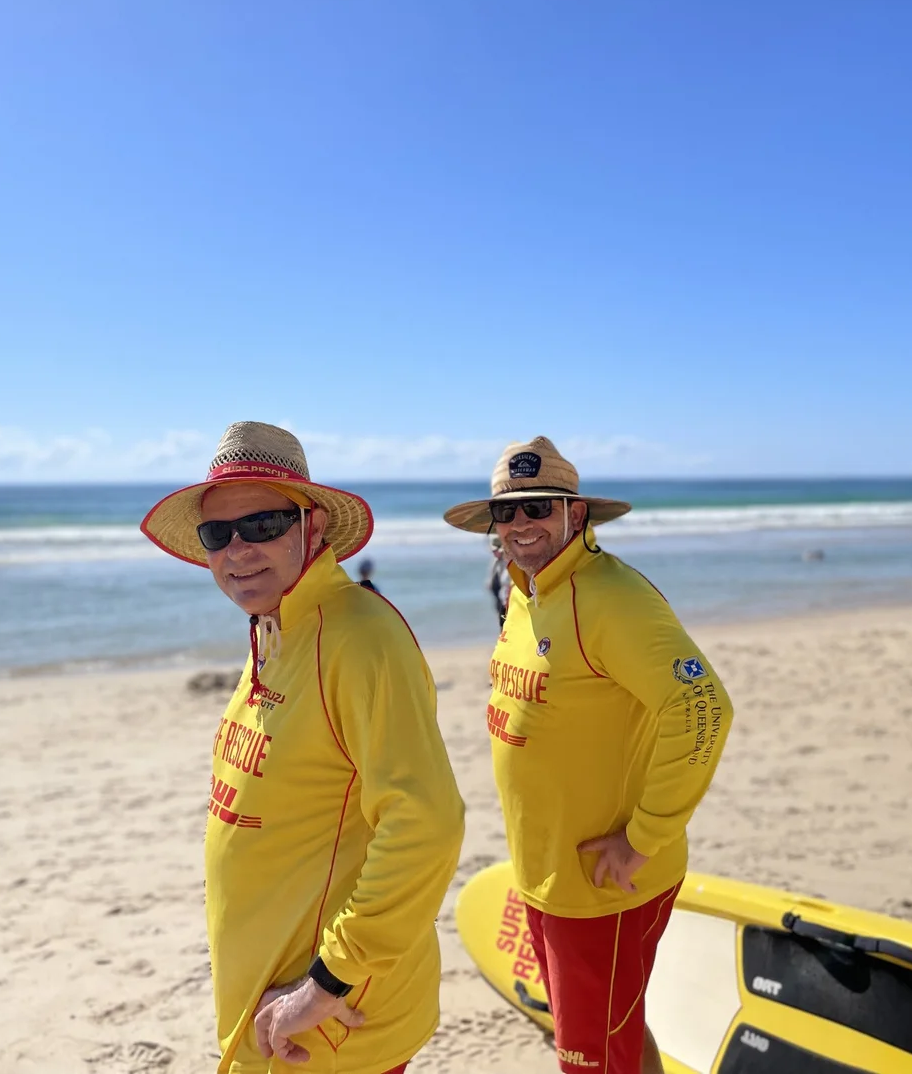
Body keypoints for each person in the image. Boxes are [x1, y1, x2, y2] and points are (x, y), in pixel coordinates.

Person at [142, 421, 465, 1074]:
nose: (238, 550)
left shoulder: (359, 636)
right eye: (217, 534)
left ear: (312, 527)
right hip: (269, 1006)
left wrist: (326, 982)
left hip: (325, 1025)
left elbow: (426, 824)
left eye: (263, 525)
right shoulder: (274, 626)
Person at [443, 437, 734, 1074]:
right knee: (614, 1034)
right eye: (506, 512)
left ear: (576, 515)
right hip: (547, 873)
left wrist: (645, 836)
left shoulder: (610, 597)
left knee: (591, 1058)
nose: (521, 524)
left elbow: (703, 707)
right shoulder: (528, 591)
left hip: (601, 886)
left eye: (539, 507)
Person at [485, 536, 510, 628]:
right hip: (500, 595)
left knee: (505, 621)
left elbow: (506, 580)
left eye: (494, 551)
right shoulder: (495, 560)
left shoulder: (507, 560)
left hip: (506, 597)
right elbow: (491, 573)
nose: (493, 553)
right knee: (500, 618)